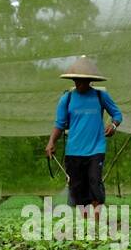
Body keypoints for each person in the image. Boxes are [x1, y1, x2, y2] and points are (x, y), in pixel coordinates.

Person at [45, 55, 123, 224]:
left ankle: (96, 221)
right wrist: (51, 142)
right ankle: (86, 223)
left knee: (95, 183)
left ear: (90, 81)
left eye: (82, 80)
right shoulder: (67, 99)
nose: (79, 84)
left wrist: (114, 126)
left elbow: (117, 114)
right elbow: (59, 124)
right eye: (76, 80)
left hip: (96, 149)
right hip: (74, 151)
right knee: (78, 188)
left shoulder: (100, 96)